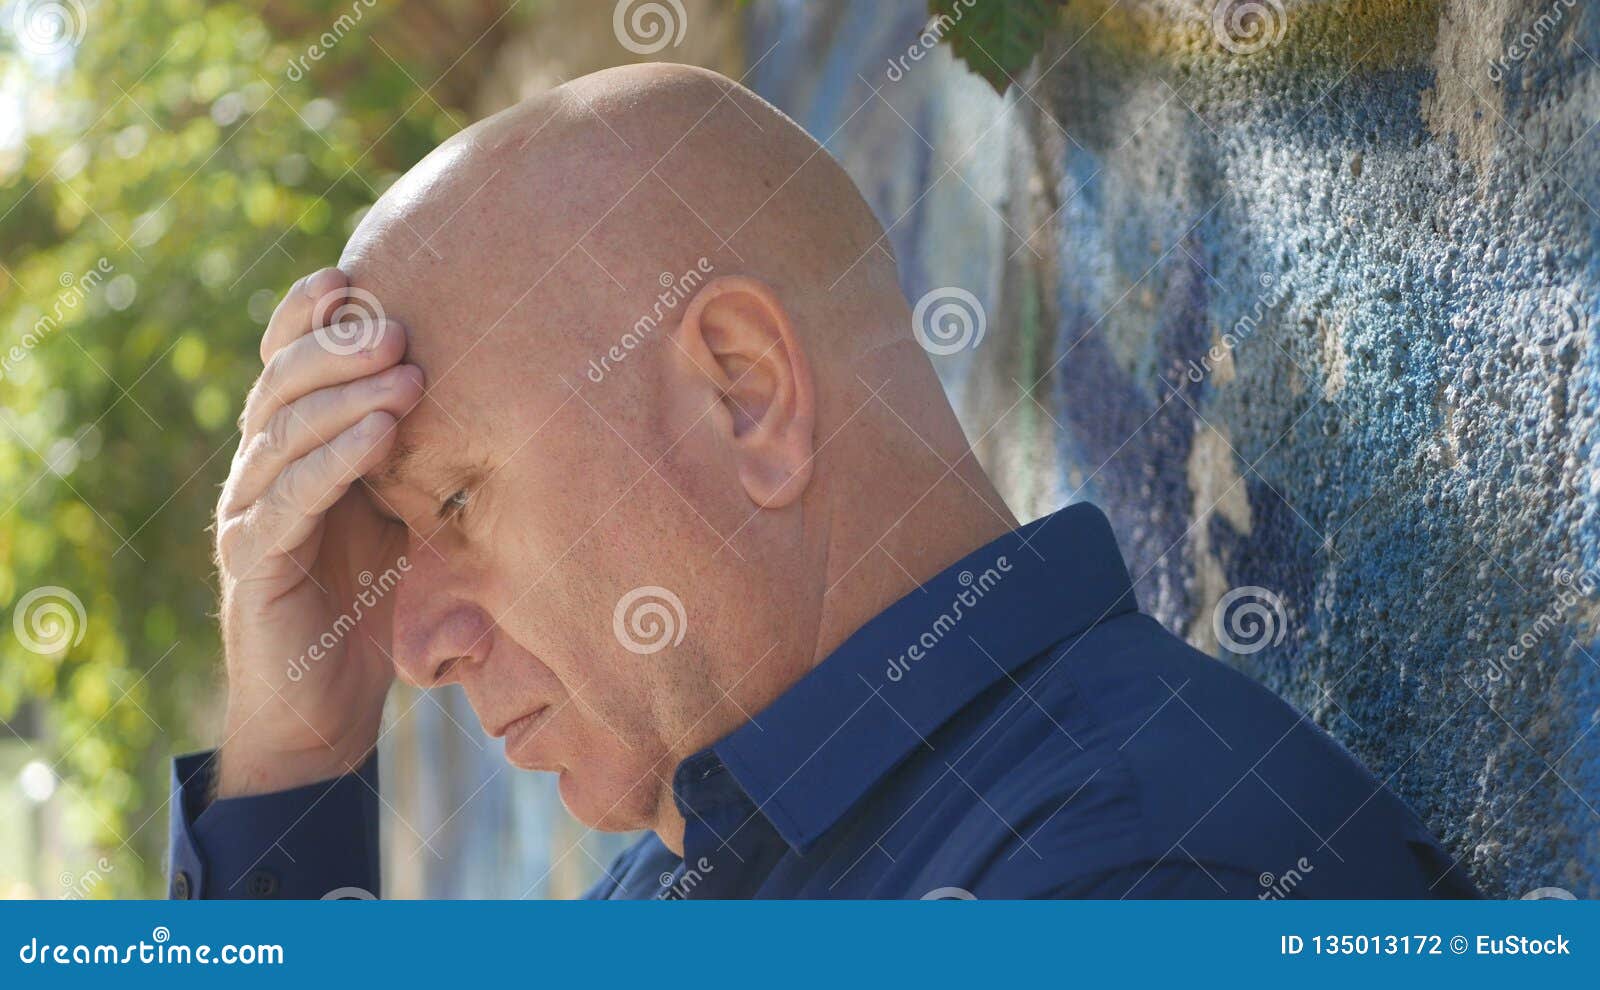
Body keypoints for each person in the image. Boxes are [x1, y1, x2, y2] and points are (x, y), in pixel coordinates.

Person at [168, 63, 1478, 899]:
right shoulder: (707, 863)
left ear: (747, 394)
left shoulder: (1130, 877)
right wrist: (291, 760)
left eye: (453, 503)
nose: (413, 644)